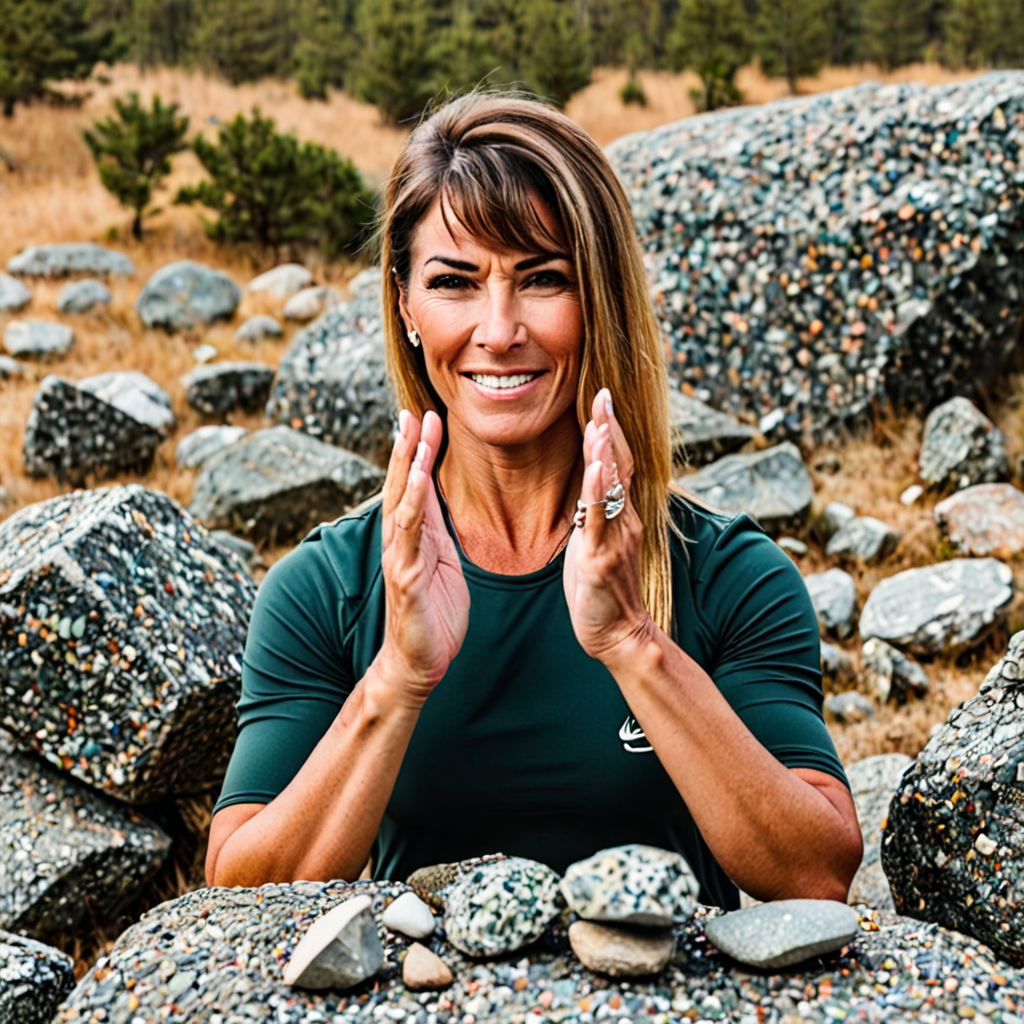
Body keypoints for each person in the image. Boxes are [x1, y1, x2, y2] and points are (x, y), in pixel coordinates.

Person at [205, 91, 862, 909]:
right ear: (406, 304)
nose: (499, 328)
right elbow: (238, 891)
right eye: (455, 281)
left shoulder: (729, 574)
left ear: (601, 301)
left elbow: (816, 872)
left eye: (543, 278)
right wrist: (399, 677)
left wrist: (632, 641)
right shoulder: (327, 586)